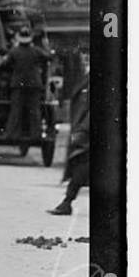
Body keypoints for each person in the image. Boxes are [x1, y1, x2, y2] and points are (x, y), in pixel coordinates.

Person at [0, 25, 51, 148]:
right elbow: (48, 57)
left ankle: (11, 134)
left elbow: (2, 64)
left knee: (16, 109)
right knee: (34, 110)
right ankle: (35, 135)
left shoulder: (14, 52)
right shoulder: (36, 51)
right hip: (34, 85)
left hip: (18, 85)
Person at [49, 61, 89, 215]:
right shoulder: (86, 78)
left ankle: (67, 202)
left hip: (88, 132)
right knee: (81, 166)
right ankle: (67, 202)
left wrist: (84, 129)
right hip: (84, 130)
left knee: (81, 166)